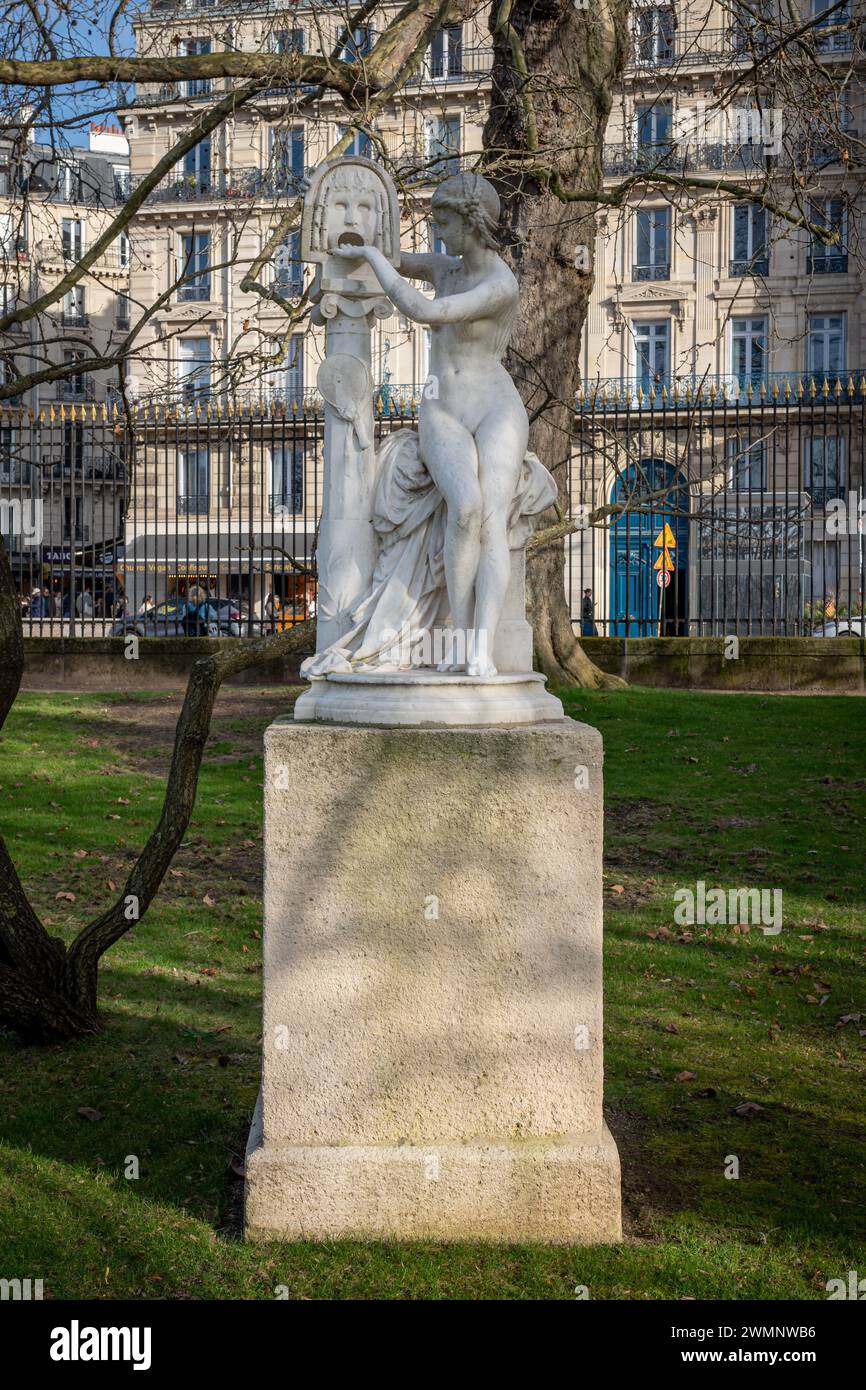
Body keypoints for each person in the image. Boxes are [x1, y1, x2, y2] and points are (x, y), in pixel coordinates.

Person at [332, 172, 538, 677]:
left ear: (471, 222)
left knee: (490, 518)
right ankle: (460, 639)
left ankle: (480, 647)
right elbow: (403, 261)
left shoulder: (500, 285)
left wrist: (373, 256)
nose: (438, 233)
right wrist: (362, 237)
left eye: (443, 223)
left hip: (496, 406)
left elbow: (426, 310)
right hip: (442, 404)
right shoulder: (447, 267)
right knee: (465, 509)